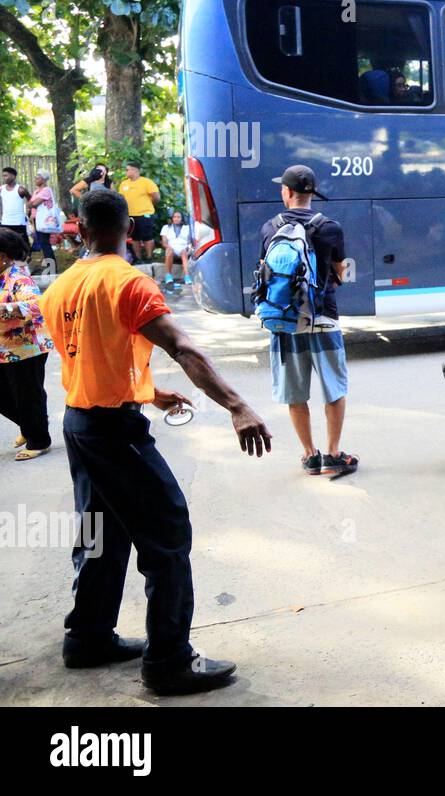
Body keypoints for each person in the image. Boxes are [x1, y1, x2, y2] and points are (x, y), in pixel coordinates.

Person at [42, 189, 271, 694]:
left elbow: (89, 359)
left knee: (99, 533)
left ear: (80, 229)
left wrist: (144, 392)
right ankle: (169, 661)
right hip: (113, 434)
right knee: (166, 537)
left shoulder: (59, 288)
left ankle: (87, 638)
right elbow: (183, 346)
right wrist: (238, 407)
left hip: (80, 425)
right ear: (128, 229)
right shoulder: (129, 282)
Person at [261, 165, 357, 479]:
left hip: (285, 320)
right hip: (324, 317)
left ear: (286, 192)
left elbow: (265, 273)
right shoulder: (330, 227)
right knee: (334, 387)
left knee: (295, 392)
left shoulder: (269, 228)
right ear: (311, 194)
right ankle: (332, 453)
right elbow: (339, 271)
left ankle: (309, 454)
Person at [0, 228, 53, 460]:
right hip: (6, 349)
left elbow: (36, 305)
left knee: (27, 394)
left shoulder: (18, 278)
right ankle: (28, 424)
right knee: (7, 393)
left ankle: (39, 440)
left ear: (2, 256)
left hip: (28, 347)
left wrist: (4, 309)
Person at [118, 161, 161, 263]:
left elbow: (156, 197)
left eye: (127, 169)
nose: (126, 171)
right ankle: (138, 258)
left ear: (135, 170)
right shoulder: (124, 184)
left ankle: (149, 257)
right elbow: (121, 199)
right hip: (131, 215)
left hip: (145, 214)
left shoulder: (146, 182)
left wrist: (147, 206)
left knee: (147, 237)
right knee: (135, 238)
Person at [26, 169, 61, 268]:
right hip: (37, 219)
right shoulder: (37, 191)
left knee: (45, 243)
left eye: (38, 178)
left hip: (44, 220)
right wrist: (30, 204)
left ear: (44, 179)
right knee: (43, 243)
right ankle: (50, 266)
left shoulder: (46, 190)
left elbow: (33, 203)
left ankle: (51, 267)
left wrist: (30, 204)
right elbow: (30, 204)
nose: (35, 179)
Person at [160, 210, 195, 288]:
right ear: (172, 218)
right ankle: (168, 276)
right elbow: (164, 242)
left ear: (182, 218)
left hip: (183, 248)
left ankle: (187, 277)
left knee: (183, 253)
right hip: (171, 248)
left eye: (178, 217)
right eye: (174, 217)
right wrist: (168, 247)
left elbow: (190, 242)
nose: (176, 219)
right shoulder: (166, 227)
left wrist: (188, 248)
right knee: (170, 251)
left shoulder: (187, 228)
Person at [0, 166, 30, 251]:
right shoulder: (1, 189)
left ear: (13, 176)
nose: (4, 178)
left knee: (23, 244)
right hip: (5, 221)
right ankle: (9, 262)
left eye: (6, 175)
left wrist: (29, 211)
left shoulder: (21, 189)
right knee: (5, 244)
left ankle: (25, 262)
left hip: (18, 222)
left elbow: (30, 200)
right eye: (3, 176)